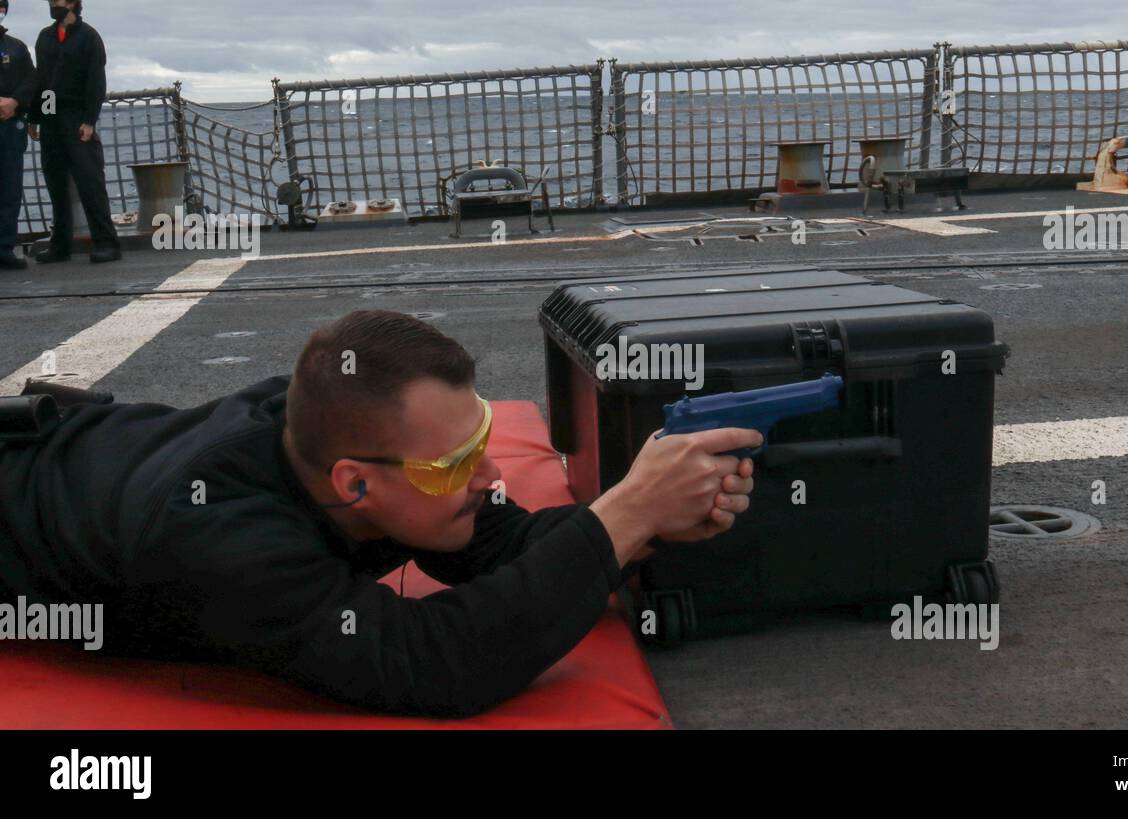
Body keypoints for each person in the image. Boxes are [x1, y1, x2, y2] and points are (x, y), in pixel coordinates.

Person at [0, 310, 760, 717]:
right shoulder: (228, 543)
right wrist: (623, 516)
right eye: (456, 464)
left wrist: (651, 523)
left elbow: (516, 545)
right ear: (355, 483)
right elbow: (439, 662)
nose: (490, 474)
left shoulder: (323, 423)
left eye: (484, 441)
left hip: (84, 449)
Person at [28, 0, 120, 264]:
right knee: (56, 183)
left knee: (90, 181)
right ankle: (60, 246)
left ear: (72, 3)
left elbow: (95, 81)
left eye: (57, 0)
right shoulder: (45, 37)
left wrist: (90, 120)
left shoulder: (88, 37)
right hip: (52, 119)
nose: (53, 3)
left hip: (77, 117)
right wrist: (37, 117)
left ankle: (106, 242)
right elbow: (43, 80)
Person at [0, 0, 36, 270]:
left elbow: (33, 81)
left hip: (11, 128)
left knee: (10, 190)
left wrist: (16, 103)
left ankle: (4, 248)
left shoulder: (17, 47)